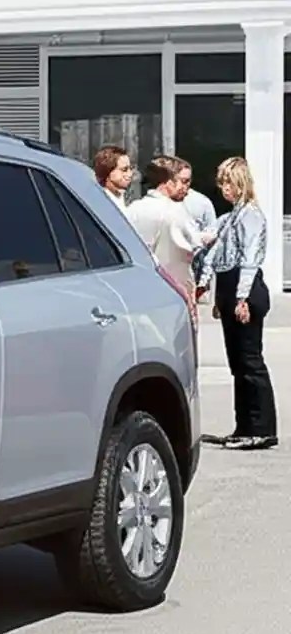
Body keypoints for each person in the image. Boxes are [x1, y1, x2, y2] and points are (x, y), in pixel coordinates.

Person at [198, 156, 278, 450]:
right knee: (237, 364)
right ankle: (243, 426)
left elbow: (249, 260)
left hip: (246, 288)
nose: (224, 189)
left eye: (228, 183)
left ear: (240, 183)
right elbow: (217, 253)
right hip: (230, 287)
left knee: (250, 361)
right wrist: (215, 290)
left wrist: (242, 297)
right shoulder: (231, 216)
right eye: (221, 184)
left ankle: (261, 427)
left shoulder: (251, 216)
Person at [125, 155, 213, 301]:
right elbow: (194, 242)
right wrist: (209, 237)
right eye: (183, 182)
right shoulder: (175, 211)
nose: (187, 187)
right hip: (173, 288)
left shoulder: (133, 209)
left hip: (140, 286)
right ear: (167, 182)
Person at [93, 145, 134, 216]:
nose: (130, 174)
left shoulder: (122, 196)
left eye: (131, 168)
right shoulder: (101, 203)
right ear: (108, 171)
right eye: (124, 170)